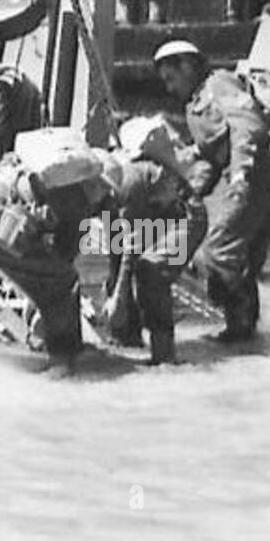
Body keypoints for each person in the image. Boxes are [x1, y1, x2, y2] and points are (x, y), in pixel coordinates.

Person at [0, 127, 107, 376]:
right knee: (62, 282)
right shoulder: (75, 193)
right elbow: (63, 256)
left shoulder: (16, 164)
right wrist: (45, 303)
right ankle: (62, 362)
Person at [153, 39, 270, 342]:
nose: (170, 88)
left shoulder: (218, 86)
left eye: (172, 78)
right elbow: (213, 154)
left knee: (217, 250)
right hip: (241, 180)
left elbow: (246, 128)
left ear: (187, 66)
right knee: (239, 257)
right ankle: (243, 332)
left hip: (252, 182)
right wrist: (189, 192)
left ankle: (241, 321)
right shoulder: (195, 104)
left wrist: (240, 175)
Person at [97, 116, 207, 365]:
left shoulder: (126, 185)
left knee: (152, 271)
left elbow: (131, 247)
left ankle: (165, 358)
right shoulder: (105, 196)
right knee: (134, 267)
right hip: (158, 214)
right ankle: (130, 339)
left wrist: (118, 297)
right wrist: (116, 294)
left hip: (187, 219)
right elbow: (116, 249)